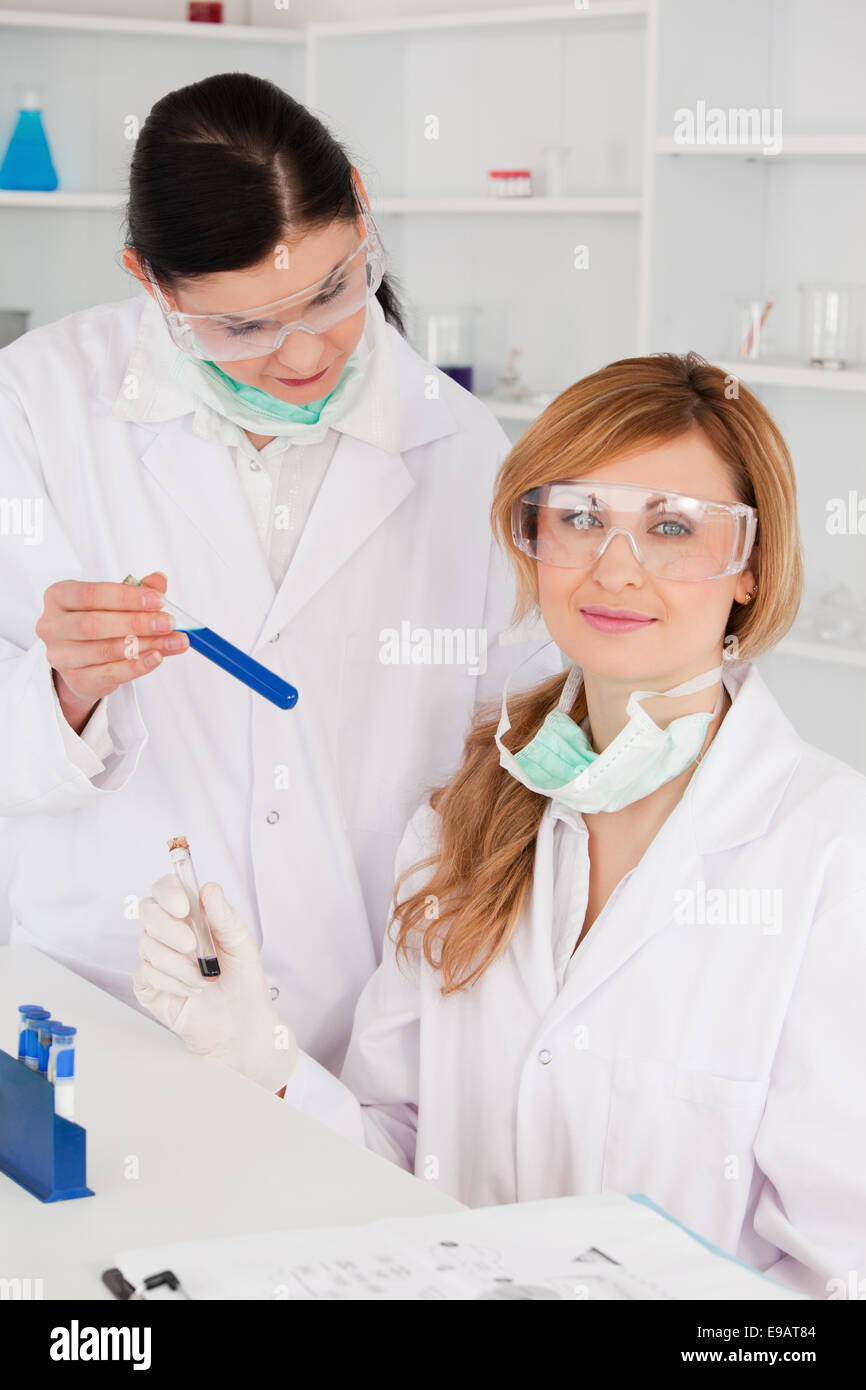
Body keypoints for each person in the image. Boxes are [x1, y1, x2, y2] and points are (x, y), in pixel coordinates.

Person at [137, 351, 866, 1298]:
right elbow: (392, 1155)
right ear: (532, 542)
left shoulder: (829, 856)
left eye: (673, 528)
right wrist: (264, 1060)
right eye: (580, 518)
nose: (616, 567)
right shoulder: (464, 820)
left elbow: (835, 1274)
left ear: (749, 568)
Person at [0, 72, 555, 1074]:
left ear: (358, 206)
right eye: (244, 327)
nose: (304, 355)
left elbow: (509, 749)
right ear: (148, 280)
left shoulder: (461, 446)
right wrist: (63, 689)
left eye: (333, 292)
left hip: (362, 1021)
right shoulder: (37, 410)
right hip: (105, 998)